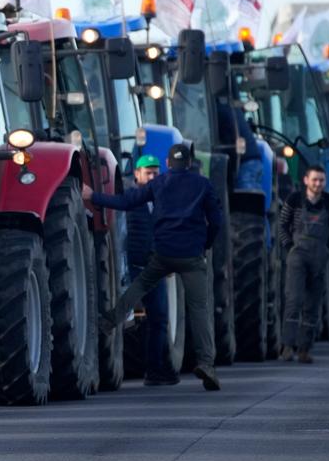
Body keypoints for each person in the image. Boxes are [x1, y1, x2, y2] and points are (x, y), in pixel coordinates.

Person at [84, 143, 224, 391]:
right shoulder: (203, 185)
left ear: (168, 165)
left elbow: (126, 202)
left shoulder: (159, 183)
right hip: (192, 256)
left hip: (163, 254)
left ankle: (109, 322)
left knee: (139, 286)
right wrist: (205, 245)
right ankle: (207, 365)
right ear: (190, 163)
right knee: (200, 309)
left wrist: (93, 196)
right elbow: (216, 222)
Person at [114, 155, 180, 385]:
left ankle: (160, 370)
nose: (152, 177)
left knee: (159, 318)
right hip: (135, 268)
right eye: (148, 173)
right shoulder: (130, 199)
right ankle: (159, 370)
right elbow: (121, 236)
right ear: (137, 175)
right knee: (146, 318)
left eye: (156, 173)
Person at [277, 164, 329, 363]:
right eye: (314, 179)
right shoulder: (294, 199)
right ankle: (287, 347)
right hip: (298, 255)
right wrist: (289, 248)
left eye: (321, 180)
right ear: (306, 180)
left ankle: (304, 349)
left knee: (313, 305)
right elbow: (282, 225)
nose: (318, 183)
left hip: (319, 257)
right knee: (294, 301)